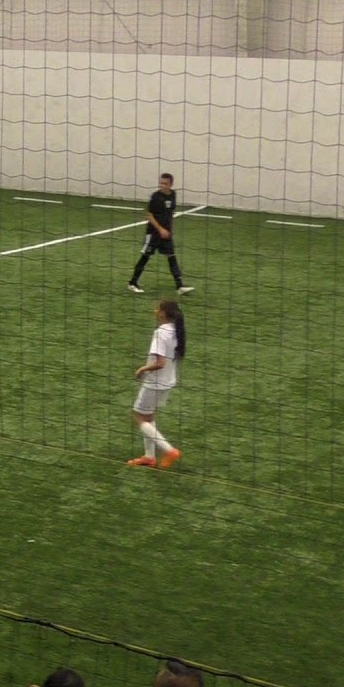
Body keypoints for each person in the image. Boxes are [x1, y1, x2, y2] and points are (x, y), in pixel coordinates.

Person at [128, 299, 186, 469]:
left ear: (162, 313)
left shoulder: (160, 333)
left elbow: (160, 362)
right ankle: (149, 457)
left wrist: (142, 369)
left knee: (138, 416)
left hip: (155, 382)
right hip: (168, 381)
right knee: (149, 416)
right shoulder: (177, 330)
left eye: (157, 309)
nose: (155, 311)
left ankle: (169, 450)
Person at [127, 173, 193, 295]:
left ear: (171, 184)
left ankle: (179, 286)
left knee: (171, 256)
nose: (162, 186)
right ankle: (132, 283)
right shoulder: (156, 197)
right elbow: (149, 215)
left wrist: (170, 230)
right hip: (153, 233)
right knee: (145, 257)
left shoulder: (173, 194)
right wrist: (161, 229)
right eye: (161, 183)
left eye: (165, 184)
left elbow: (171, 213)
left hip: (166, 234)